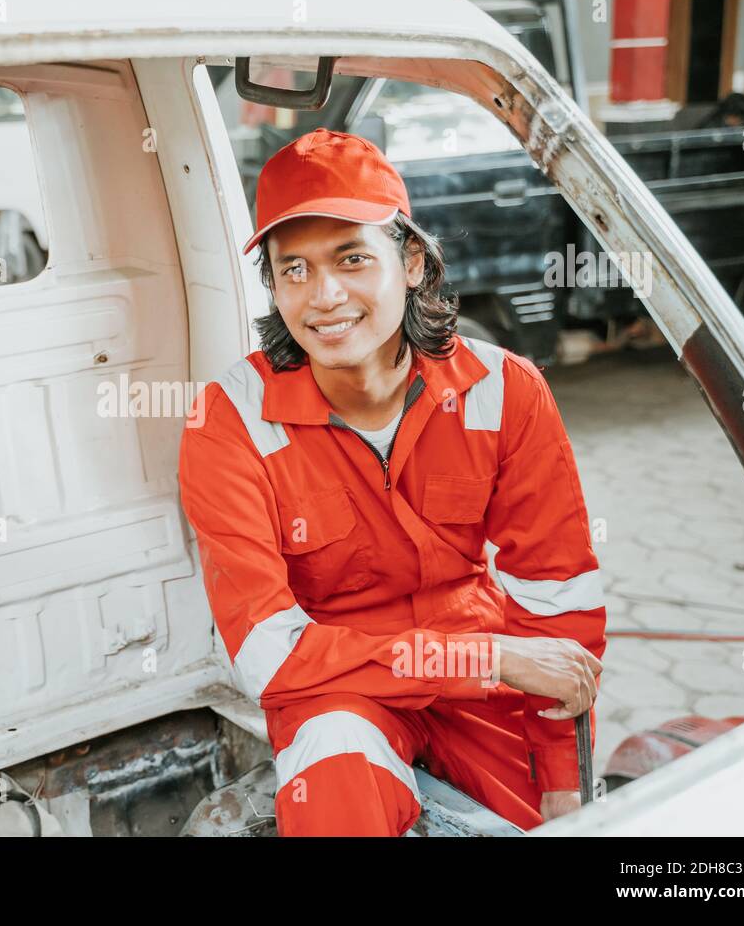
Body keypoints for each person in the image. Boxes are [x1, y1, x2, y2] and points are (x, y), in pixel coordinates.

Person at [177, 129, 606, 836]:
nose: (325, 297)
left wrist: (563, 777)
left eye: (351, 258)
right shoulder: (226, 421)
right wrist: (486, 656)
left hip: (483, 689)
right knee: (337, 795)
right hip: (336, 688)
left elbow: (556, 596)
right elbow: (272, 658)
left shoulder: (506, 388)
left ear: (409, 262)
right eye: (295, 270)